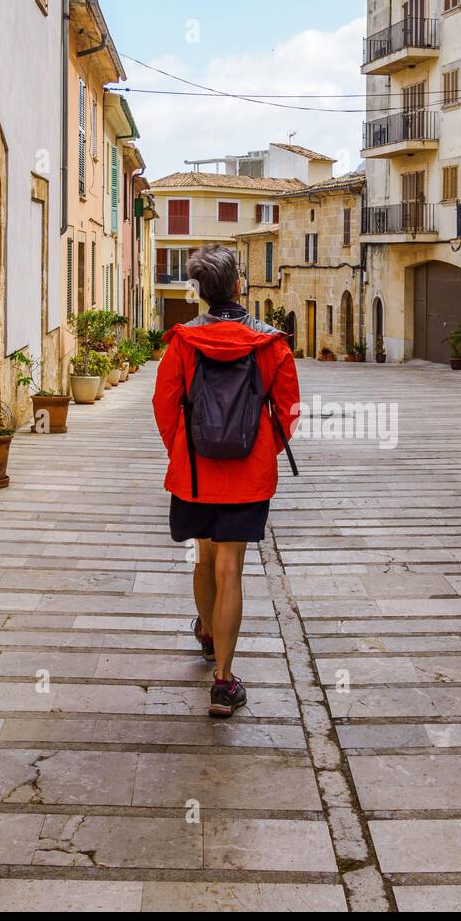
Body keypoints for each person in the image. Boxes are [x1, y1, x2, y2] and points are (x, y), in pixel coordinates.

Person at [152, 244, 300, 718]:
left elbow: (164, 404)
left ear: (201, 292)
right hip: (247, 479)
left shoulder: (182, 342)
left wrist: (184, 449)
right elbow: (288, 410)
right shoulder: (271, 343)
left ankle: (209, 636)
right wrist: (260, 451)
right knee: (230, 569)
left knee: (203, 557)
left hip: (194, 476)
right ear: (239, 286)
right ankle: (223, 682)